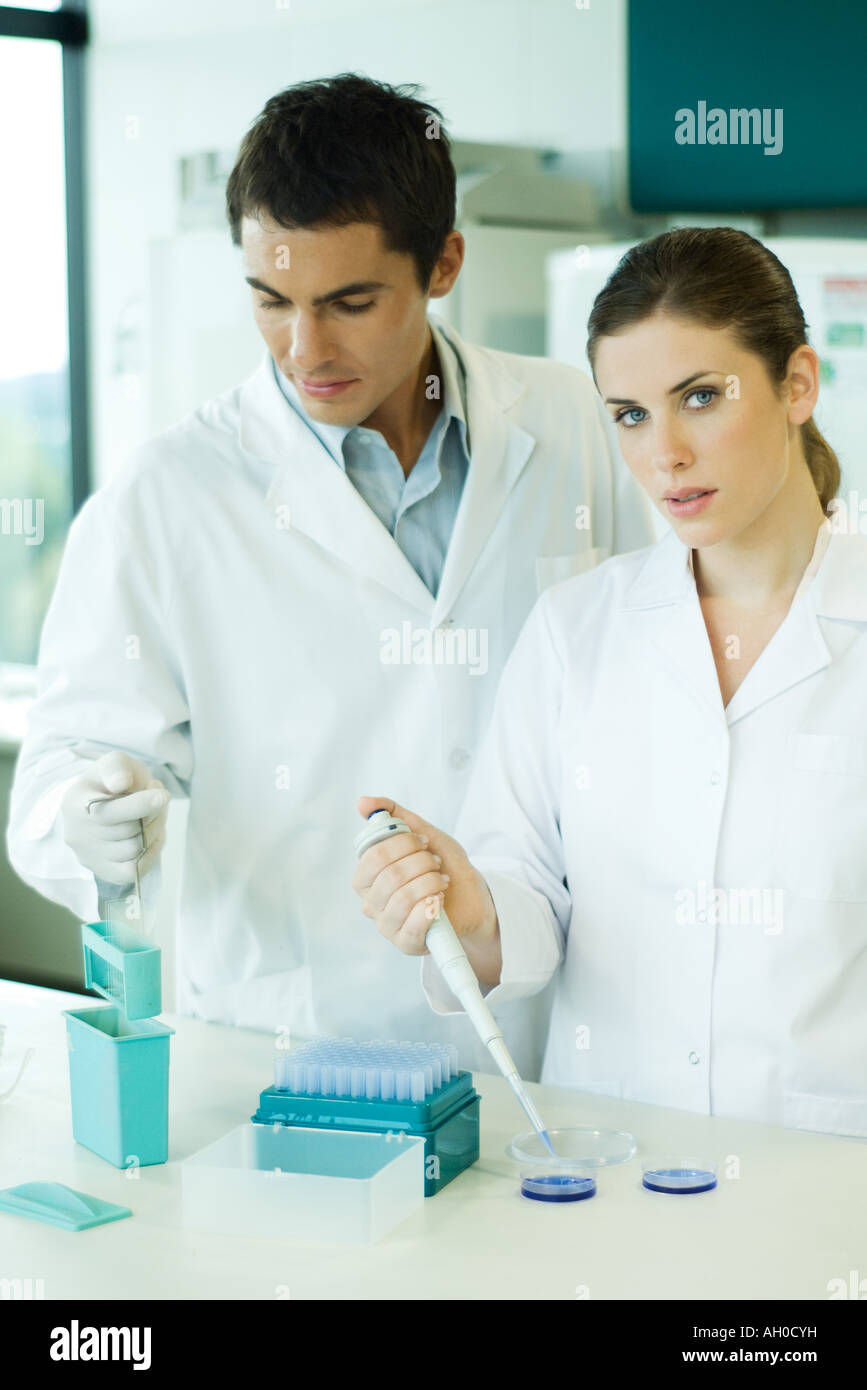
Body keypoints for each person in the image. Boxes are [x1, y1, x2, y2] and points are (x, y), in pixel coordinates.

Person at [5, 74, 653, 1076]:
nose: (305, 349)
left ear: (443, 264)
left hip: (548, 1030)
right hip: (290, 1049)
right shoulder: (166, 497)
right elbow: (59, 774)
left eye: (350, 302)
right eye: (272, 301)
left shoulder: (575, 423)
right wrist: (83, 822)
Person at [353, 225, 867, 1137]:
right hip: (612, 1169)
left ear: (796, 383)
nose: (662, 452)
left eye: (700, 398)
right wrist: (471, 905)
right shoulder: (575, 630)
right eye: (629, 413)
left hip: (831, 1180)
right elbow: (525, 892)